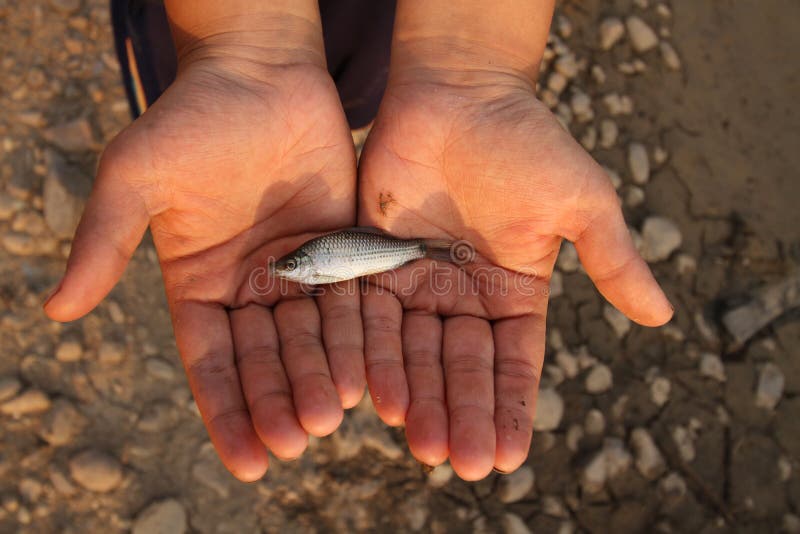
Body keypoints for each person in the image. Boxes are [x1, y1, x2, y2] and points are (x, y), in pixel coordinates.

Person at [43, 0, 673, 482]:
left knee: (365, 78)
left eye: (294, 265)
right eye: (295, 267)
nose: (293, 270)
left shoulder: (312, 265)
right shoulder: (309, 266)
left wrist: (471, 64)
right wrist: (238, 49)